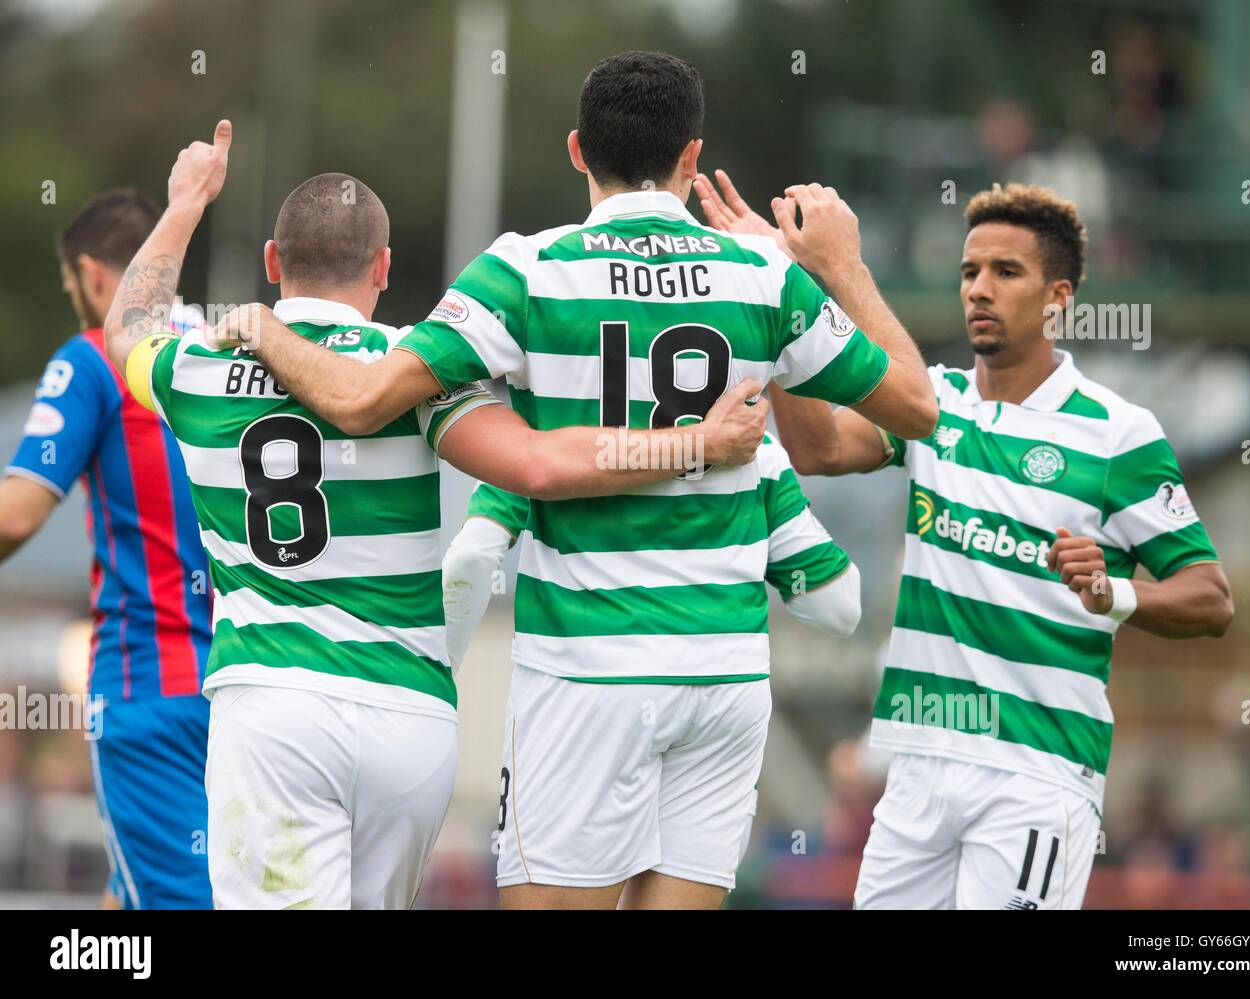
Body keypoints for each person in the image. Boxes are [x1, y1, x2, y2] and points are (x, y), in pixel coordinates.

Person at [209, 51, 937, 909]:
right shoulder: (764, 273)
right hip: (726, 674)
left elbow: (363, 400)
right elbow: (916, 408)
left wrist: (259, 325)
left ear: (576, 149)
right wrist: (837, 266)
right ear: (692, 156)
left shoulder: (526, 267)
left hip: (587, 668)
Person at [102, 122, 766, 909]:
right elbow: (540, 465)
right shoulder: (419, 370)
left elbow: (130, 326)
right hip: (409, 719)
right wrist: (691, 446)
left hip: (273, 707)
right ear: (383, 268)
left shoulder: (197, 366)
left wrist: (186, 203)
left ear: (274, 263)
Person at [696, 172, 1233, 909]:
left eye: (1007, 271)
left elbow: (1210, 597)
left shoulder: (1119, 434)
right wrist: (781, 291)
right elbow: (817, 446)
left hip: (1035, 772)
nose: (979, 288)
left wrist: (1118, 593)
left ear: (1059, 298)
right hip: (917, 763)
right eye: (970, 271)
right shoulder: (936, 403)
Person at [0, 189, 213, 909]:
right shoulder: (222, 348)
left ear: (94, 275)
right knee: (129, 893)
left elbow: (16, 517)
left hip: (146, 687)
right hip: (251, 682)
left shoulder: (91, 360)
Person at [441, 432, 863, 673]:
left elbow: (472, 558)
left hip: (580, 685)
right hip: (724, 689)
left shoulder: (543, 435)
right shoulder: (756, 449)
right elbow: (839, 608)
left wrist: (444, 674)